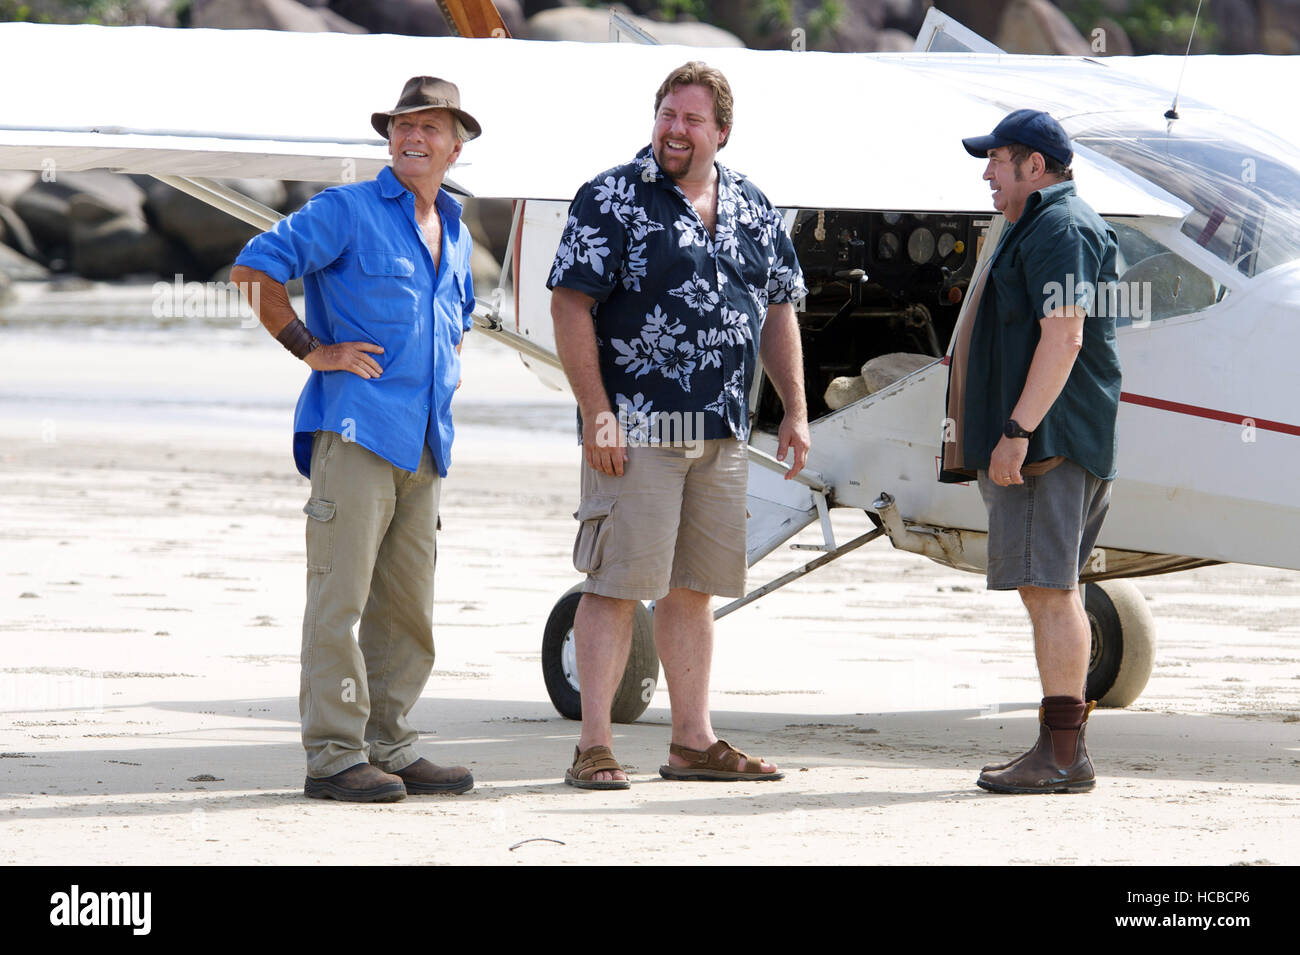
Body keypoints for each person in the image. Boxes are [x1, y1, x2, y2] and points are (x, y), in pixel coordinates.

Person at [548, 61, 810, 789]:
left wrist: (794, 407)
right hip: (634, 430)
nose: (675, 129)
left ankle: (692, 740)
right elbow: (570, 307)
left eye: (692, 120)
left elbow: (780, 306)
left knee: (694, 589)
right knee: (616, 584)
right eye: (667, 114)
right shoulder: (611, 197)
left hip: (722, 432)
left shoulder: (755, 207)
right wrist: (597, 414)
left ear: (721, 132)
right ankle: (593, 745)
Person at [230, 77, 482, 802]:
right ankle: (335, 755)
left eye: (430, 127)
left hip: (426, 444)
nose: (413, 137)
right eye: (403, 125)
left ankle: (390, 744)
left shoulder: (459, 230)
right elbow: (253, 271)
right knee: (339, 600)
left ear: (455, 144)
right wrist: (314, 348)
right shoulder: (347, 209)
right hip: (355, 433)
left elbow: (452, 321)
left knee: (409, 608)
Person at [941, 109, 1122, 794]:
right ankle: (1059, 748)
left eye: (998, 158)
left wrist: (1016, 431)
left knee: (1051, 589)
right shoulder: (1041, 224)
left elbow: (1064, 336)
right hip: (1048, 440)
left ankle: (1064, 755)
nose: (987, 172)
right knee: (1045, 587)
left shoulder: (1060, 228)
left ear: (1035, 167)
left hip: (1049, 443)